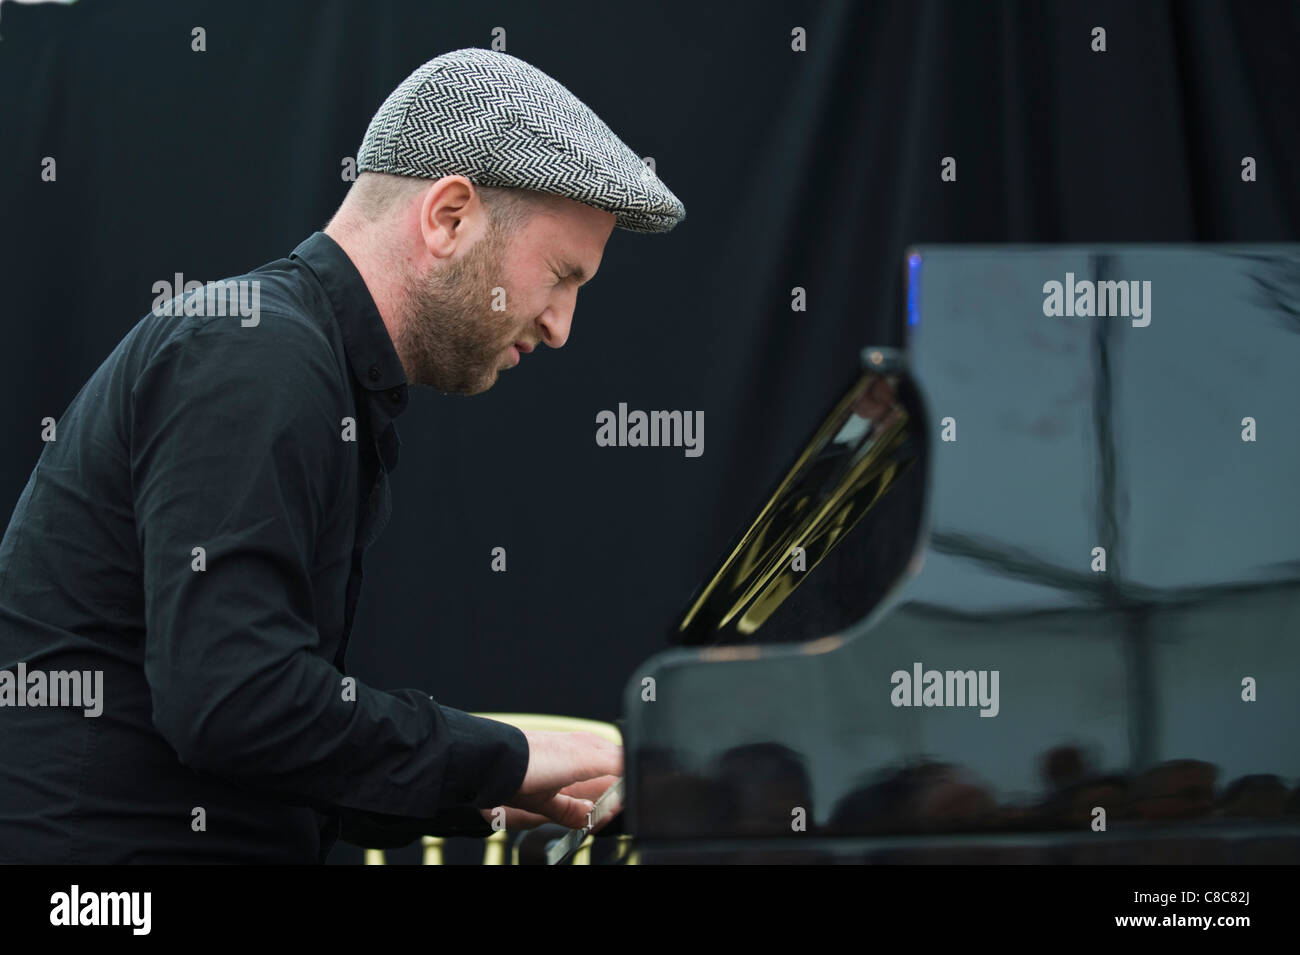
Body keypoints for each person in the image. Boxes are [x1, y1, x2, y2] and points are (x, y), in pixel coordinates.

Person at [0, 47, 685, 863]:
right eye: (561, 276)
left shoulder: (295, 361)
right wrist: (514, 754)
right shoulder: (258, 355)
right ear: (450, 216)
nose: (561, 325)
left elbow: (269, 743)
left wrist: (500, 792)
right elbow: (234, 702)